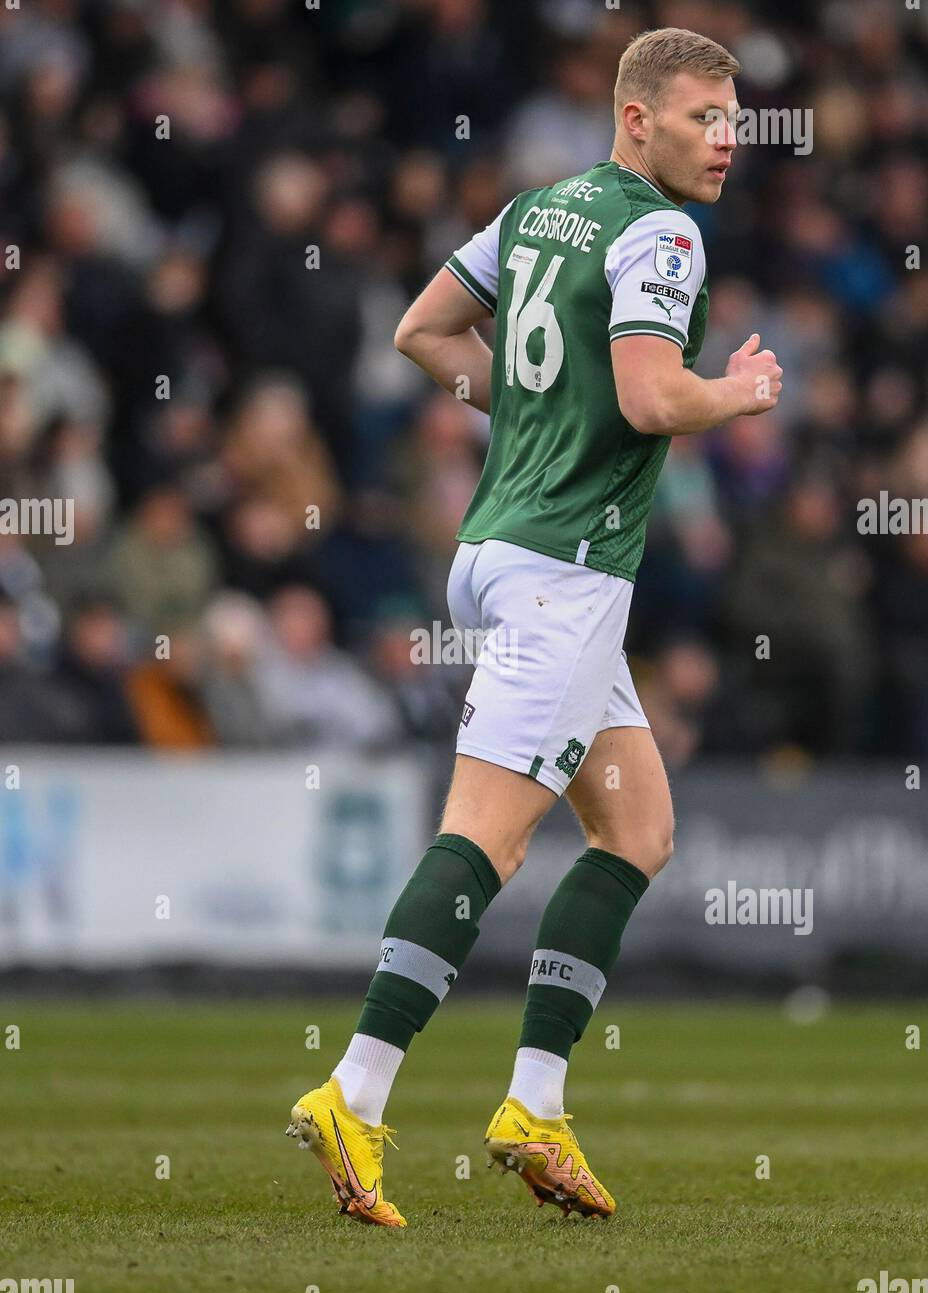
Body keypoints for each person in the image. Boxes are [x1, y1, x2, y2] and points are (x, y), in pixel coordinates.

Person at [286, 26, 783, 1226]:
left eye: (733, 119)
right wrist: (740, 392)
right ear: (635, 119)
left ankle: (535, 1104)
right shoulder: (662, 232)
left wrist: (520, 406)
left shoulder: (534, 209)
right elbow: (651, 395)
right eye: (702, 118)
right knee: (488, 842)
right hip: (564, 574)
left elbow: (422, 332)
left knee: (637, 828)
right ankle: (353, 1089)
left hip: (500, 550)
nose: (725, 140)